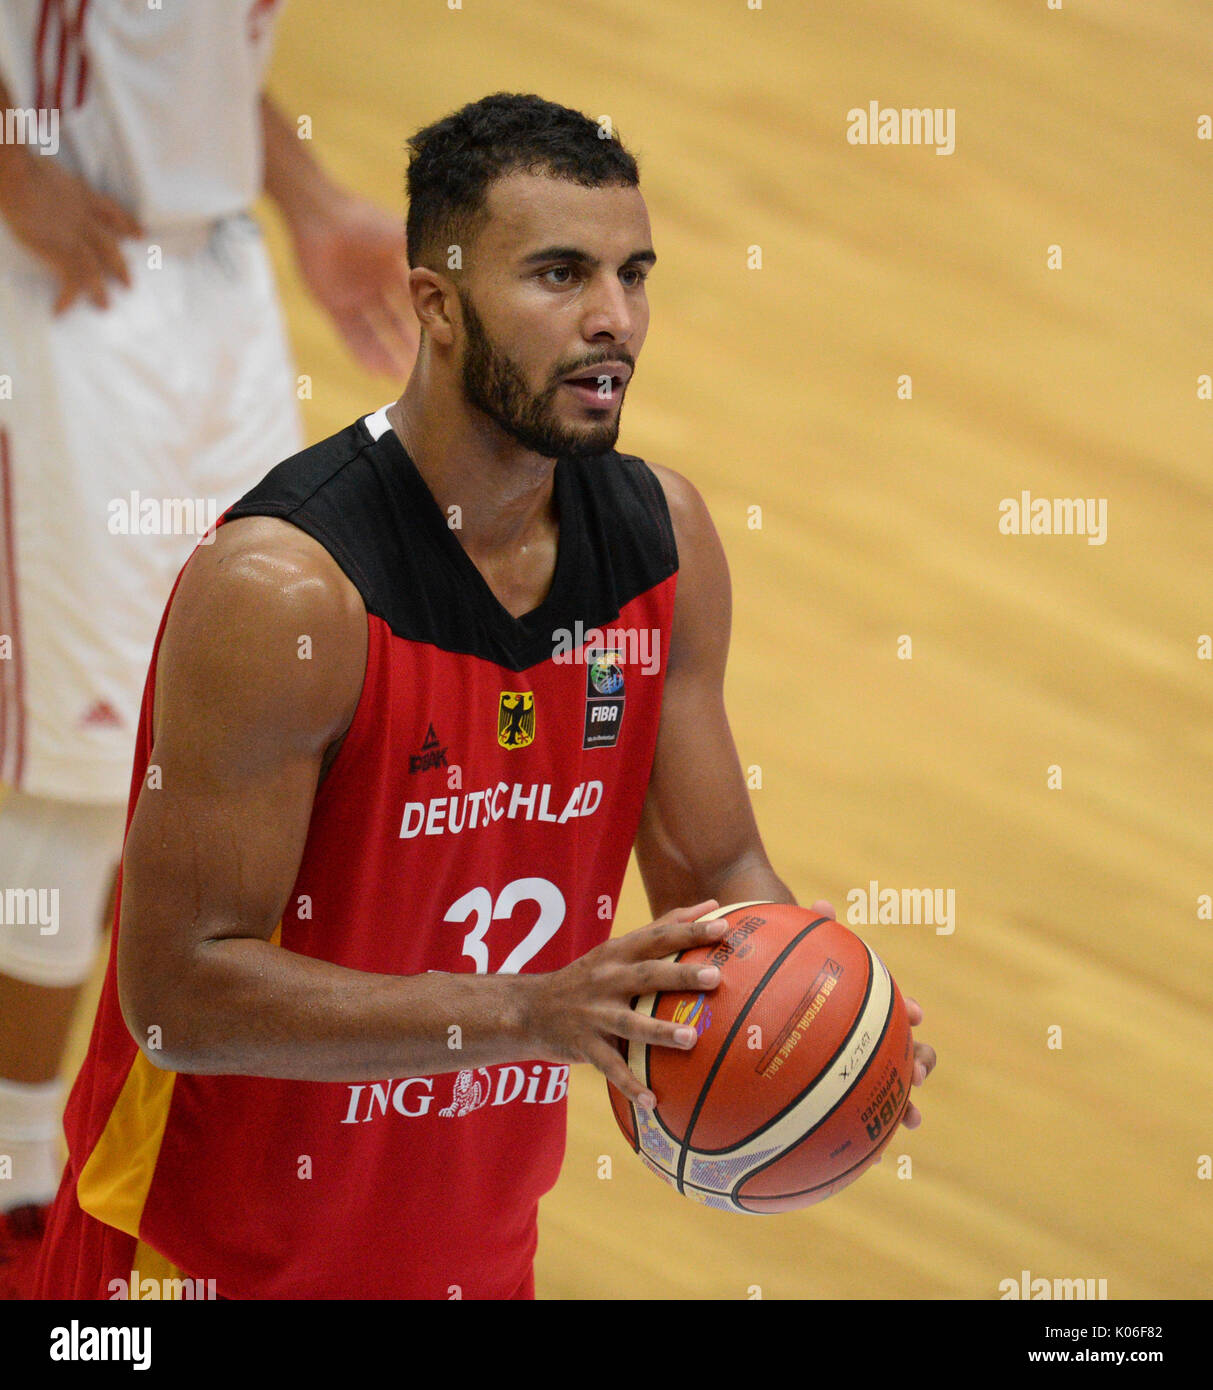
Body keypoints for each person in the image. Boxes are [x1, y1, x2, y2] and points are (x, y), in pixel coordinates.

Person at [31, 91, 936, 1300]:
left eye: (633, 274)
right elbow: (182, 993)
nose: (612, 320)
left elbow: (719, 878)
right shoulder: (285, 594)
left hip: (468, 1248)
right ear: (436, 305)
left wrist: (828, 1018)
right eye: (559, 275)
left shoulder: (662, 542)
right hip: (198, 1258)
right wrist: (527, 1010)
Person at [0, 0, 416, 1298]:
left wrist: (307, 200)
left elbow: (190, 57)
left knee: (230, 721)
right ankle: (14, 1185)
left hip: (215, 275)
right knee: (71, 771)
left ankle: (153, 1166)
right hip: (62, 273)